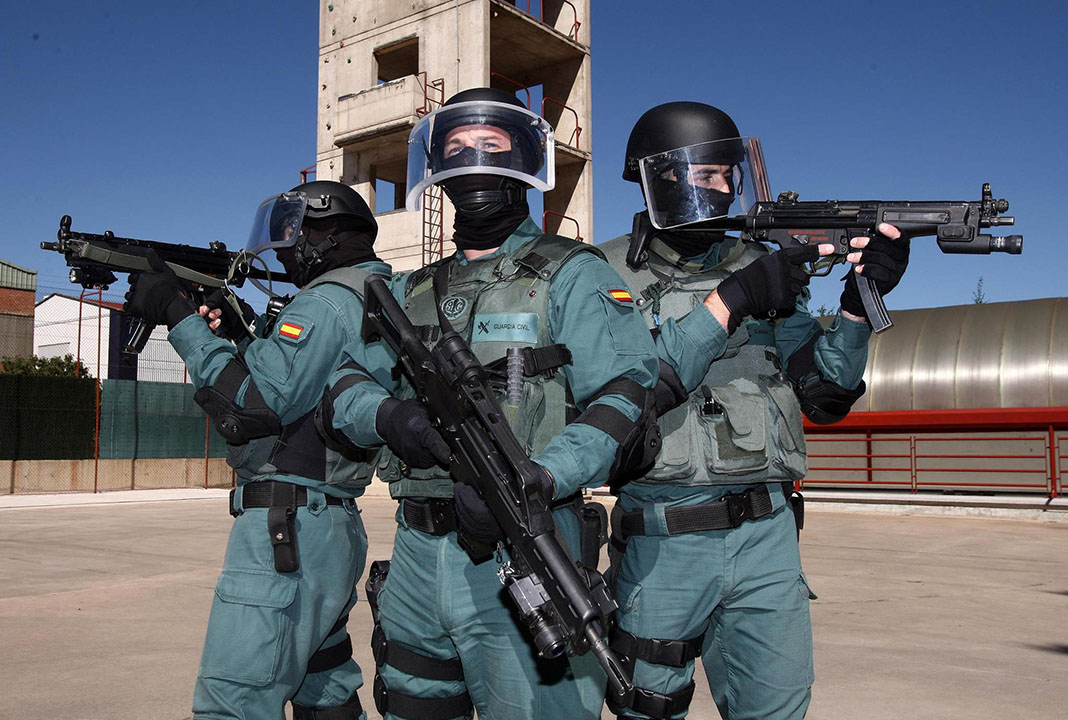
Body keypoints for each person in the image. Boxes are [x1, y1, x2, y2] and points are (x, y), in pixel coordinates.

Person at [317, 87, 661, 720]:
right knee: (414, 703)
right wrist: (393, 418)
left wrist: (541, 476)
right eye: (456, 148)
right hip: (418, 551)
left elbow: (625, 392)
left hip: (526, 542)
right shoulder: (410, 290)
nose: (472, 159)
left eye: (490, 145)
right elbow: (343, 386)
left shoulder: (572, 272)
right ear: (437, 169)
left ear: (522, 159)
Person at [598, 102, 911, 720]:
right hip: (663, 538)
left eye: (727, 174)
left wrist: (855, 308)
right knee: (649, 704)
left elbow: (823, 393)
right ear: (660, 179)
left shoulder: (759, 266)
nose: (722, 189)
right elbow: (626, 388)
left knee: (777, 706)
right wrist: (733, 300)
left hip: (768, 536)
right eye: (705, 175)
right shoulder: (601, 274)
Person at [123, 180, 391, 720]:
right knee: (324, 687)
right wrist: (242, 333)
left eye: (293, 235)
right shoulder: (374, 296)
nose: (285, 252)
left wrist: (177, 316)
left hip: (286, 528)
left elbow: (249, 407)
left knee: (233, 701)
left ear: (325, 233)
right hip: (326, 524)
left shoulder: (325, 303)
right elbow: (301, 397)